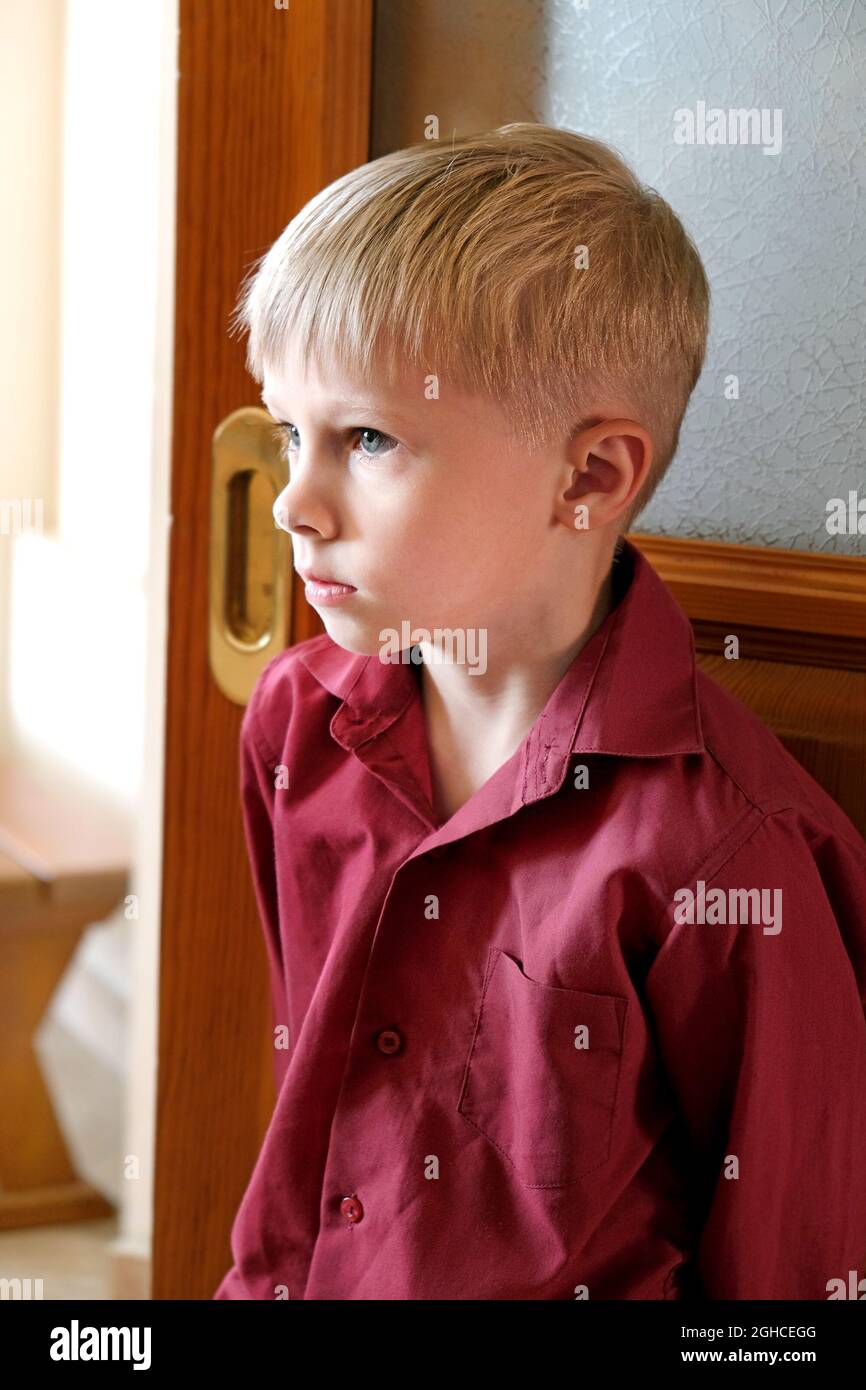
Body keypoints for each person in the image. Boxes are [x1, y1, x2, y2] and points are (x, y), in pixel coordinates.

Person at [212, 123, 866, 1300]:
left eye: (366, 438)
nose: (295, 505)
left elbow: (790, 1272)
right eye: (285, 434)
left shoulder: (734, 848)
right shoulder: (296, 725)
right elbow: (318, 1104)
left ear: (590, 477)